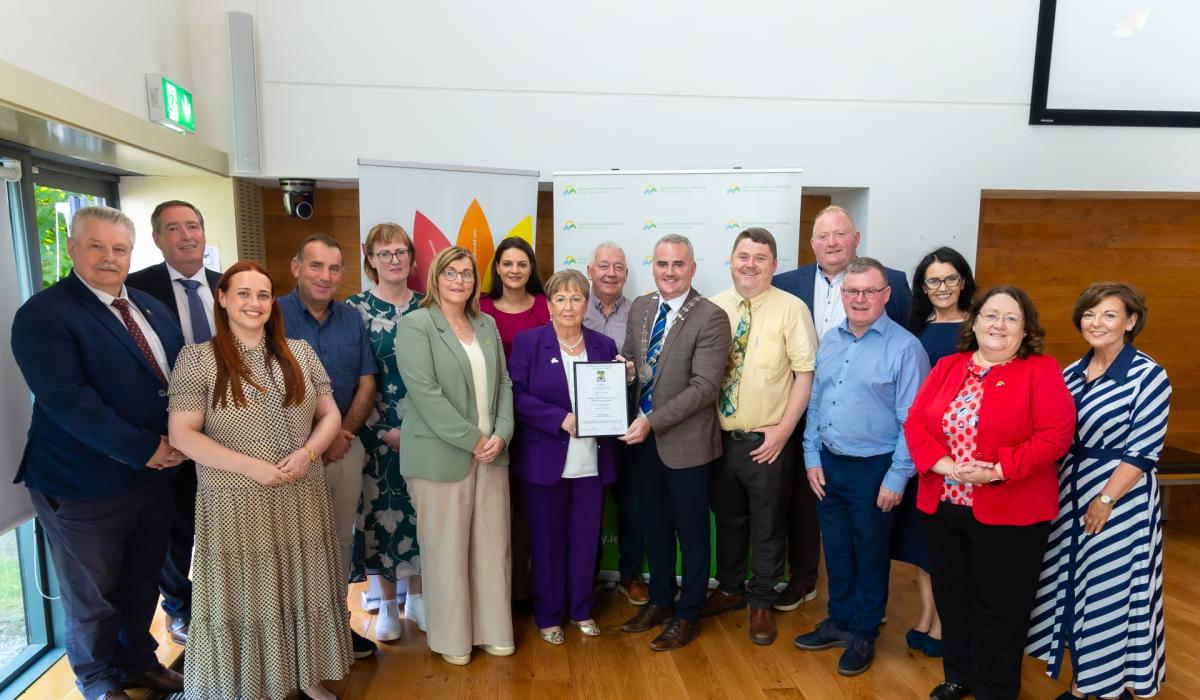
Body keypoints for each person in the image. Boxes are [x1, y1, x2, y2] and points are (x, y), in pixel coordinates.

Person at [11, 206, 186, 700]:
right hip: (84, 484)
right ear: (72, 248)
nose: (110, 258)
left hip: (154, 479)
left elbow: (179, 382)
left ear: (132, 254)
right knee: (93, 595)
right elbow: (69, 401)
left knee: (141, 581)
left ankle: (137, 663)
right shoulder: (45, 314)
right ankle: (97, 679)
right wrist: (146, 447)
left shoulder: (150, 308)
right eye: (97, 246)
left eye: (120, 249)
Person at [167, 260, 352, 700]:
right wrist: (251, 467)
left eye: (264, 295)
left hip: (300, 492)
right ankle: (253, 684)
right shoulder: (198, 359)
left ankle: (308, 677)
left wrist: (309, 453)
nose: (255, 303)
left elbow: (330, 415)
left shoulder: (300, 353)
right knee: (249, 595)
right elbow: (182, 434)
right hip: (236, 500)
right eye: (244, 293)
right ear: (224, 297)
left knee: (305, 585)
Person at [904, 286, 1075, 700]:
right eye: (990, 315)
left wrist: (996, 472)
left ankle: (995, 688)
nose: (998, 324)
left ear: (1025, 328)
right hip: (944, 504)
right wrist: (945, 466)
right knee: (954, 598)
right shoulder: (948, 366)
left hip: (1011, 509)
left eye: (1010, 318)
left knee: (1001, 606)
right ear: (974, 321)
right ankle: (959, 675)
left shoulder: (1041, 370)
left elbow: (1055, 436)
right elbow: (914, 423)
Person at [1027, 283, 1171, 700]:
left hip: (1119, 499)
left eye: (1109, 314)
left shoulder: (1148, 374)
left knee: (1110, 592)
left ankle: (1102, 686)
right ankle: (1085, 680)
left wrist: (1106, 500)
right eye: (1090, 314)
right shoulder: (1071, 371)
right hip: (1069, 490)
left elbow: (1143, 451)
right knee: (1072, 585)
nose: (1097, 322)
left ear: (1131, 321)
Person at [792, 257, 929, 676]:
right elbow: (815, 404)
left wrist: (897, 476)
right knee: (835, 549)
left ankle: (863, 632)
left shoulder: (906, 348)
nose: (859, 298)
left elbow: (913, 420)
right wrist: (812, 457)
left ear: (886, 295)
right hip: (830, 465)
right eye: (851, 291)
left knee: (870, 552)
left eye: (869, 291)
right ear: (841, 294)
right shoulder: (830, 340)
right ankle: (839, 620)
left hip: (877, 467)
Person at [771, 205, 911, 611]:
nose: (831, 243)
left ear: (856, 239)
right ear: (812, 243)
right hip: (807, 419)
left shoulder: (896, 289)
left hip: (873, 436)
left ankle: (866, 617)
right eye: (823, 236)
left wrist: (899, 469)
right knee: (808, 509)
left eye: (840, 234)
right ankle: (808, 583)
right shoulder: (787, 284)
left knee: (868, 536)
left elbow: (903, 377)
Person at [394, 246, 515, 666]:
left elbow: (503, 384)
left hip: (492, 455)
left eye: (466, 273)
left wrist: (501, 433)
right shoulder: (416, 325)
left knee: (492, 548)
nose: (459, 280)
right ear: (435, 277)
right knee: (446, 551)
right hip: (441, 457)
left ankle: (493, 630)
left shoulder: (486, 324)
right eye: (451, 272)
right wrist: (473, 439)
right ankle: (453, 639)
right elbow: (425, 394)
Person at [703, 228, 816, 646]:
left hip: (767, 442)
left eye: (760, 258)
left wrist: (784, 432)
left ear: (774, 264)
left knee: (768, 525)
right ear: (731, 260)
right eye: (743, 256)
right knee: (729, 520)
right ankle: (731, 588)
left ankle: (762, 601)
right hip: (718, 440)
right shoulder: (712, 308)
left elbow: (806, 373)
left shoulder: (792, 309)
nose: (750, 264)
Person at [618, 234, 731, 651]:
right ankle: (661, 602)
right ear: (653, 266)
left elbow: (704, 388)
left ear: (693, 268)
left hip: (685, 445)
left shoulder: (711, 317)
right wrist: (624, 371)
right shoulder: (642, 307)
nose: (669, 272)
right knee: (655, 527)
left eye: (678, 264)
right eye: (662, 264)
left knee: (692, 534)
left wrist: (651, 421)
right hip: (641, 442)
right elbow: (631, 357)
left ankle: (688, 615)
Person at [277, 233, 379, 658]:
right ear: (297, 267)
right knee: (289, 548)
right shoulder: (272, 314)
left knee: (337, 542)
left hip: (343, 449)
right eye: (316, 266)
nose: (325, 276)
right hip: (283, 455)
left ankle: (334, 628)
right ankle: (290, 641)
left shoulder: (351, 318)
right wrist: (310, 442)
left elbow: (366, 382)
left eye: (334, 268)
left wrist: (343, 434)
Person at [125, 199, 220, 646]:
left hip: (232, 429)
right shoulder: (134, 290)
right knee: (177, 525)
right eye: (174, 228)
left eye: (194, 226)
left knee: (226, 523)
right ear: (157, 238)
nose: (187, 235)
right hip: (171, 431)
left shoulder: (229, 286)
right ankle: (179, 609)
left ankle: (226, 605)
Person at [509, 269, 620, 644]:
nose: (569, 305)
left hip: (592, 461)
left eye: (576, 298)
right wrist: (560, 419)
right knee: (546, 542)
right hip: (545, 463)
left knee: (585, 541)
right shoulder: (529, 343)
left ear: (586, 304)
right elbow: (517, 396)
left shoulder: (604, 345)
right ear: (549, 304)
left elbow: (612, 398)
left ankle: (581, 610)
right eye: (561, 298)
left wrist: (626, 379)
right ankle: (549, 615)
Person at [896, 246, 978, 659]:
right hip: (918, 449)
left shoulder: (978, 329)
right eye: (933, 280)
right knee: (920, 541)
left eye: (950, 279)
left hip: (958, 451)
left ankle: (947, 622)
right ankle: (926, 613)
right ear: (922, 287)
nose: (942, 287)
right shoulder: (916, 327)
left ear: (963, 282)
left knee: (950, 545)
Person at [345, 222, 426, 641]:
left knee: (418, 513)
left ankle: (417, 597)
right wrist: (379, 429)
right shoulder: (353, 309)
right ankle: (386, 602)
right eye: (384, 253)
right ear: (371, 259)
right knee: (376, 514)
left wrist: (416, 427)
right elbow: (352, 375)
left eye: (400, 252)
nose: (394, 260)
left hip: (426, 429)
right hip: (373, 432)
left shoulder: (428, 305)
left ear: (412, 259)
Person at [478, 236, 548, 607]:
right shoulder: (482, 308)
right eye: (508, 263)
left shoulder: (545, 307)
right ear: (497, 268)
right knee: (494, 509)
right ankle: (495, 588)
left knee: (525, 510)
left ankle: (521, 583)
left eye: (522, 264)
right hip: (491, 422)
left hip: (536, 422)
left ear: (531, 269)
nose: (515, 270)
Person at [583, 241, 647, 606]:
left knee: (632, 504)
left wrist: (634, 373)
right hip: (581, 428)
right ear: (590, 271)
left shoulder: (639, 312)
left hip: (627, 425)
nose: (611, 273)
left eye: (619, 267)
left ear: (626, 274)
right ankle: (585, 575)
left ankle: (630, 575)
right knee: (586, 504)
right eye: (604, 266)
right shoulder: (572, 307)